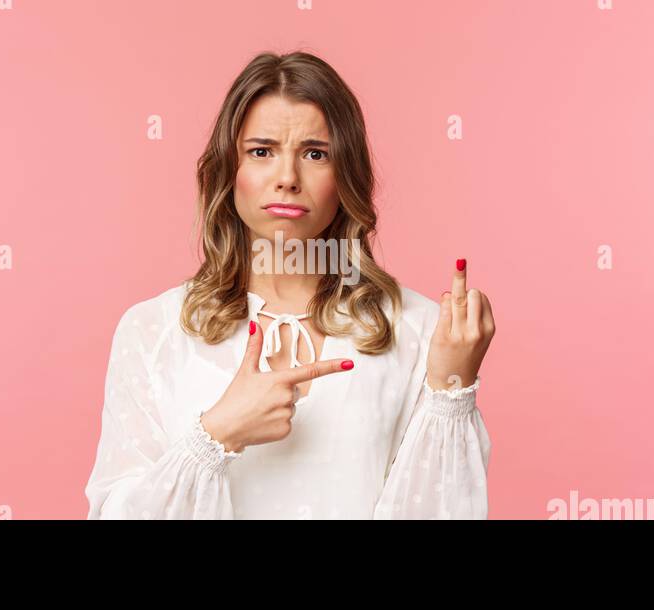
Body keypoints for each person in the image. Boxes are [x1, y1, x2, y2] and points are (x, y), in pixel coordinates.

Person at [85, 51, 496, 519]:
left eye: (315, 154)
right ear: (228, 170)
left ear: (346, 176)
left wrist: (450, 387)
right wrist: (216, 435)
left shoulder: (419, 330)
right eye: (261, 152)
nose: (287, 179)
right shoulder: (152, 331)